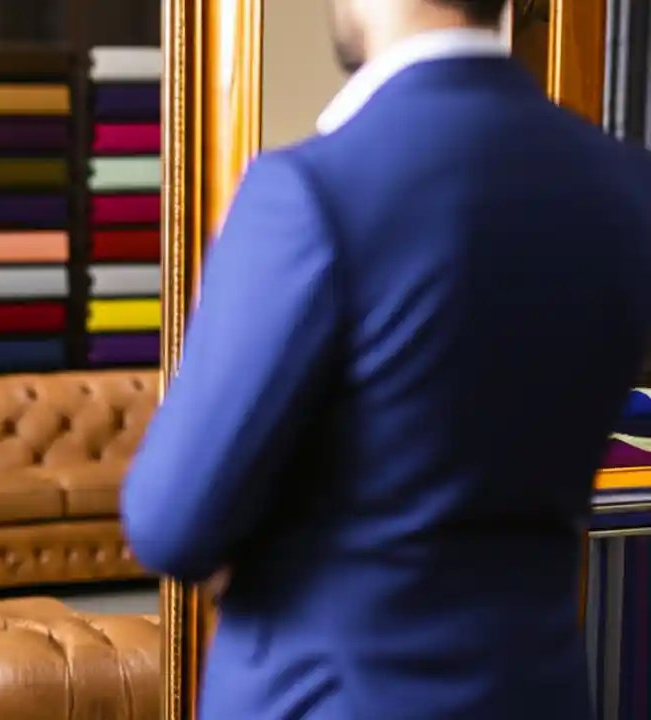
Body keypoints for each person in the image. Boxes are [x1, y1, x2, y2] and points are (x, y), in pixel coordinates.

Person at [121, 0, 651, 717]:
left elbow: (168, 520)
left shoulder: (309, 190)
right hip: (535, 689)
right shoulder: (626, 187)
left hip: (328, 695)